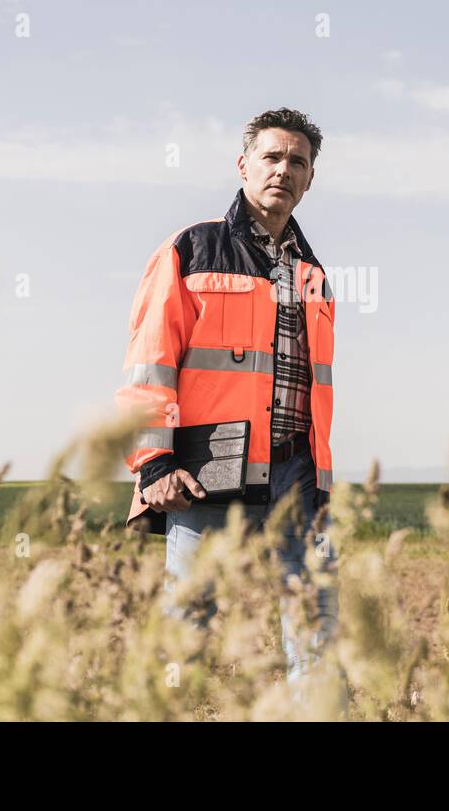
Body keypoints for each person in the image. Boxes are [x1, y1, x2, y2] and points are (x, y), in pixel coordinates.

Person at [116, 107, 339, 695]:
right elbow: (150, 362)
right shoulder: (191, 248)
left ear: (310, 179)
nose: (283, 170)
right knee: (190, 621)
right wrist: (154, 462)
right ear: (244, 165)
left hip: (299, 469)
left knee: (316, 621)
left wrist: (321, 475)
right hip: (207, 466)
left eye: (298, 162)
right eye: (272, 157)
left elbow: (315, 384)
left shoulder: (314, 273)